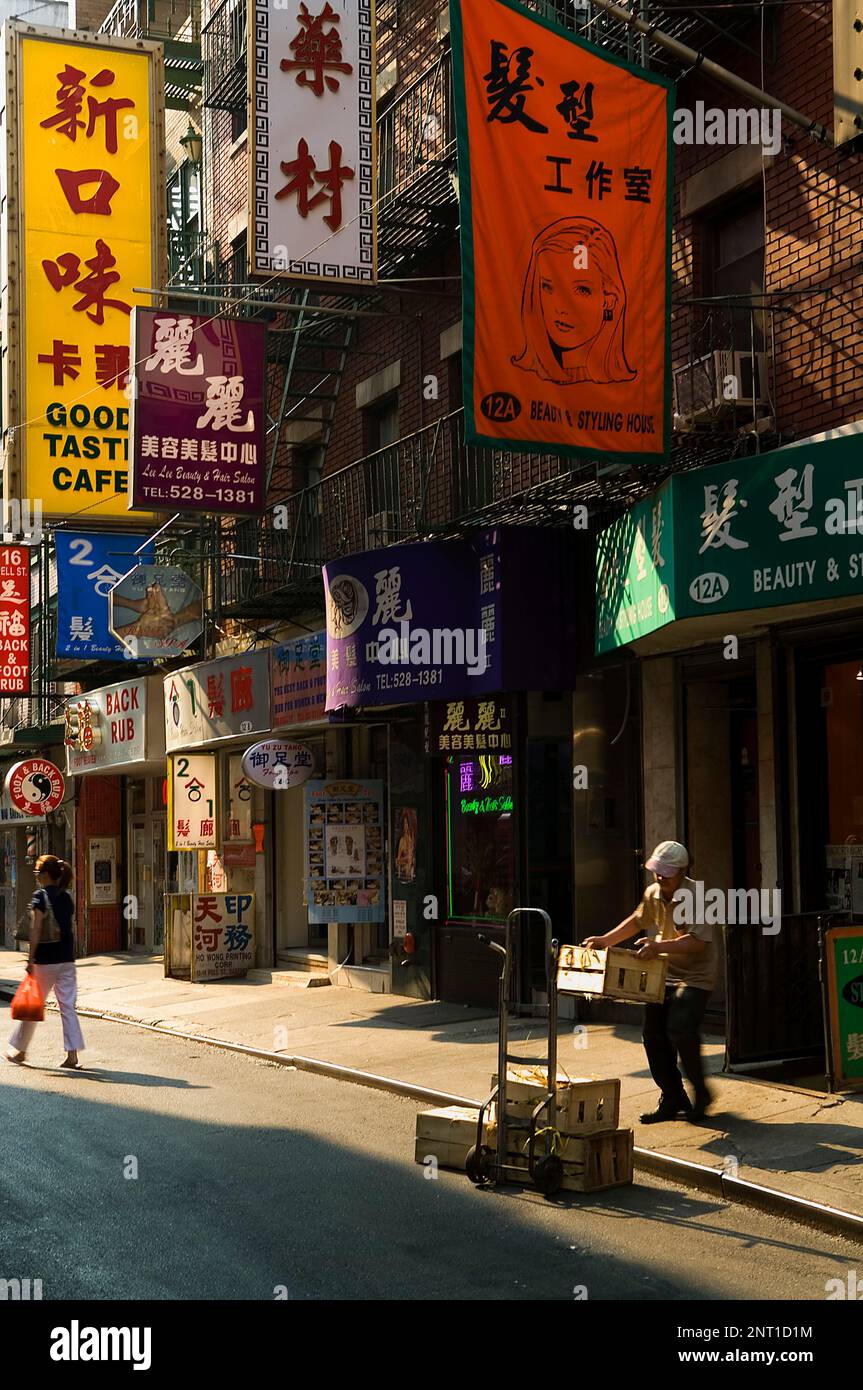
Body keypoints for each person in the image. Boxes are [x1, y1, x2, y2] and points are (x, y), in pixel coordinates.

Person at [583, 840, 715, 1124]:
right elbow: (637, 921)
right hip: (663, 973)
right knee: (652, 1034)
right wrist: (605, 940)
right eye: (657, 871)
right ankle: (672, 1095)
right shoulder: (653, 893)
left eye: (667, 873)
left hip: (695, 976)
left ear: (683, 871)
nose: (660, 878)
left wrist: (658, 947)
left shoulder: (698, 896)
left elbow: (698, 944)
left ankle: (701, 1092)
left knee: (680, 1028)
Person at [512, 218, 637, 386]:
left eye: (582, 290)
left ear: (609, 300)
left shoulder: (629, 391)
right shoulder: (518, 381)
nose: (561, 307)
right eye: (547, 287)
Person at [6, 855, 85, 1070]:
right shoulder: (67, 897)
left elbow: (36, 929)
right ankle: (72, 1055)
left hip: (45, 960)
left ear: (45, 875)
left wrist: (31, 958)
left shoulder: (40, 897)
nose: (36, 877)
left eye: (37, 873)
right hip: (66, 959)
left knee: (33, 1004)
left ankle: (20, 1050)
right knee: (68, 1007)